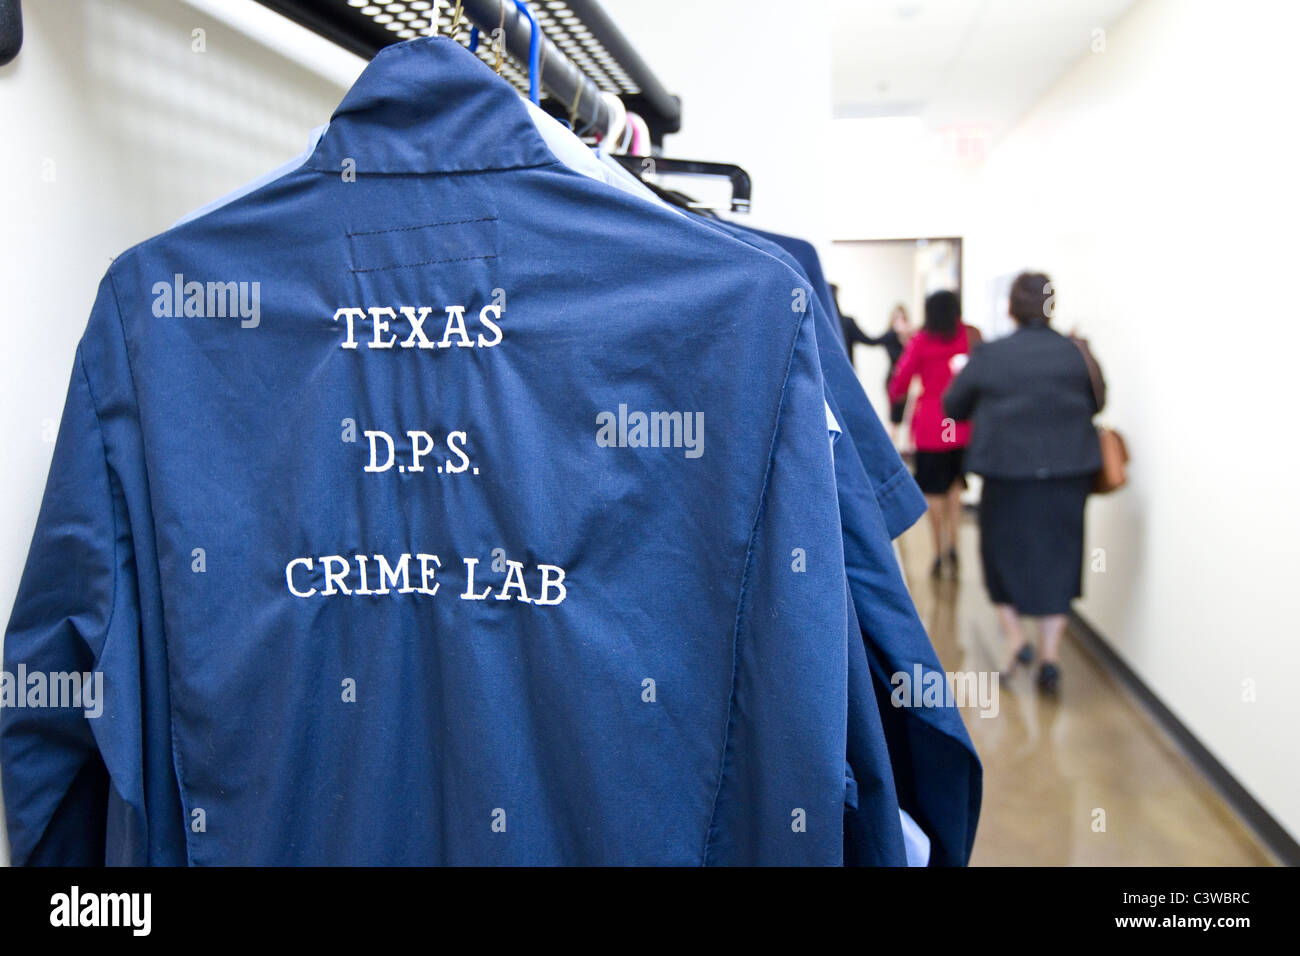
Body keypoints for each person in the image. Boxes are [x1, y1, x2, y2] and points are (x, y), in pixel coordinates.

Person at [943, 272, 1105, 695]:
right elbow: (1099, 399)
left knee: (1000, 556)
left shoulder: (992, 354)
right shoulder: (1074, 351)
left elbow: (952, 405)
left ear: (1011, 308)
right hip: (1068, 475)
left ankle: (1016, 641)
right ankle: (1050, 656)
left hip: (1008, 475)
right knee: (1060, 559)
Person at [888, 291, 971, 578]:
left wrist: (895, 397)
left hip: (931, 425)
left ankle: (937, 551)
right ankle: (955, 544)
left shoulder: (921, 341)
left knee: (933, 490)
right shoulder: (965, 337)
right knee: (954, 486)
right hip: (958, 424)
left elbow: (900, 380)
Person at [859, 304, 914, 438]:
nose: (900, 322)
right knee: (893, 418)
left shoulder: (911, 338)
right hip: (893, 380)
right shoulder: (890, 336)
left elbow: (912, 356)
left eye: (903, 318)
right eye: (897, 318)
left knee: (901, 417)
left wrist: (906, 336)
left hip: (905, 380)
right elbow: (872, 341)